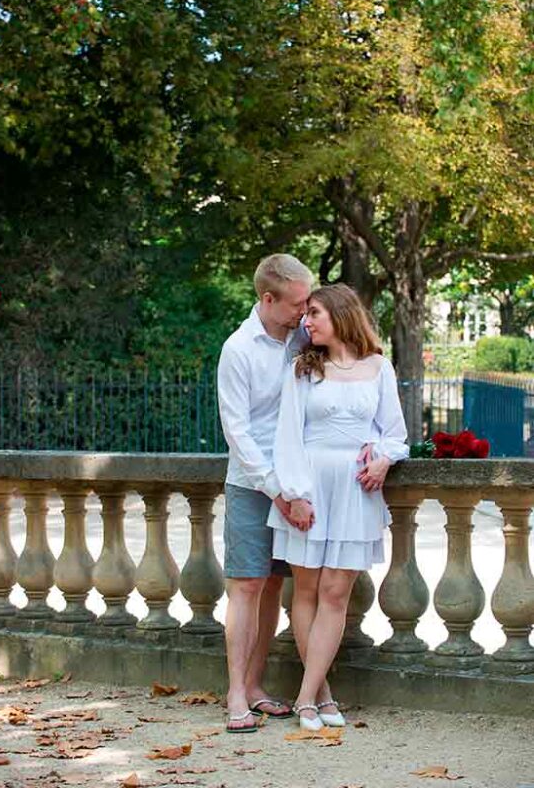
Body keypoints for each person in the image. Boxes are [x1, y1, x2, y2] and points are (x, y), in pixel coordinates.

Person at [268, 284, 408, 731]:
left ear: (341, 313)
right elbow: (287, 436)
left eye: (314, 313)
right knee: (306, 591)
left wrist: (383, 458)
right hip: (311, 485)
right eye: (305, 314)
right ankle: (319, 697)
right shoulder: (303, 368)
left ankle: (305, 697)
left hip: (355, 491)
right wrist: (295, 493)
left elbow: (396, 433)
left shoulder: (379, 367)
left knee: (335, 593)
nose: (306, 322)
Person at [217, 253, 313, 734]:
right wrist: (276, 490)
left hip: (297, 483)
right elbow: (237, 432)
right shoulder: (238, 350)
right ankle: (236, 692)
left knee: (274, 585)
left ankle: (255, 686)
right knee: (246, 586)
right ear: (268, 299)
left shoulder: (304, 338)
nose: (305, 310)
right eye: (298, 303)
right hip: (252, 485)